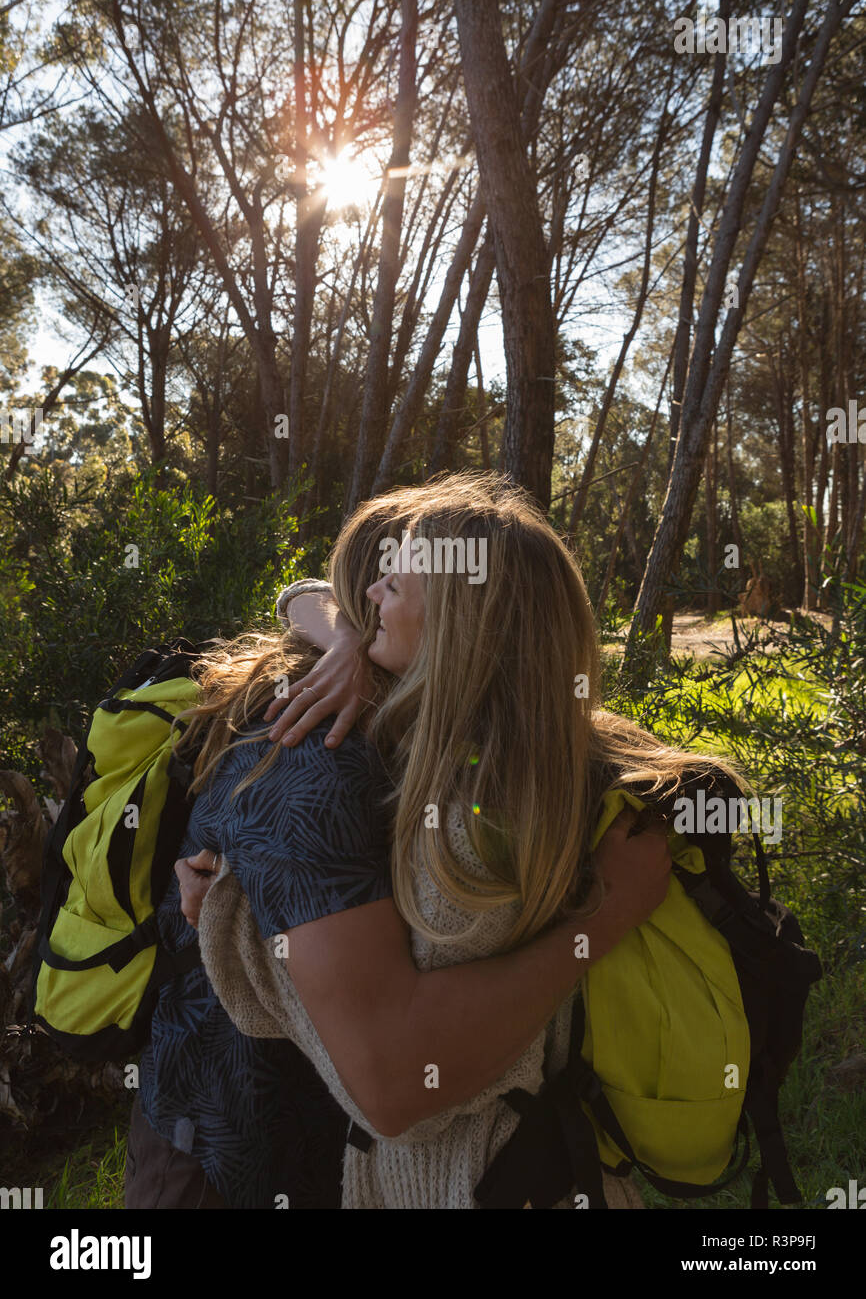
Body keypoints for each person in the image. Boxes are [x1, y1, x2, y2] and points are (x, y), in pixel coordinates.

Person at [184, 473, 731, 1208]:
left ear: (456, 622)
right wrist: (349, 638)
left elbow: (400, 1091)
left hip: (469, 1183)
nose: (370, 595)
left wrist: (233, 916)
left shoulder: (470, 829)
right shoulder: (524, 749)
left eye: (393, 586)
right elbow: (304, 598)